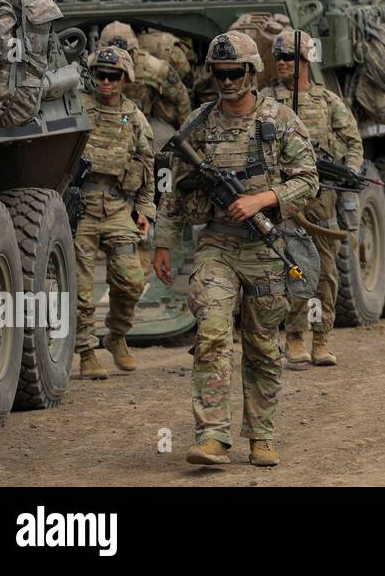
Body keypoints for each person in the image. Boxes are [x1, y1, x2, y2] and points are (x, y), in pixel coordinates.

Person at [153, 32, 318, 467]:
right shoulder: (198, 125)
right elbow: (173, 195)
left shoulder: (280, 120)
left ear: (251, 72)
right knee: (210, 334)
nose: (227, 81)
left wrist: (263, 200)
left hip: (266, 247)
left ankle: (261, 436)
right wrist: (163, 244)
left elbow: (308, 179)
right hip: (217, 245)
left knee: (263, 346)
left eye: (235, 73)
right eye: (219, 73)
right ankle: (212, 437)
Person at [269, 31, 364, 366]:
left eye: (290, 58)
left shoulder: (327, 102)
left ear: (305, 61)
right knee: (293, 270)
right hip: (284, 203)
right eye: (279, 58)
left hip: (322, 200)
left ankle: (321, 339)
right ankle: (294, 337)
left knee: (325, 274)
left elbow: (353, 142)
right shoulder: (267, 101)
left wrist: (349, 171)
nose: (283, 64)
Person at [73, 46, 155, 379]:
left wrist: (145, 209)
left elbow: (147, 164)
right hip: (82, 209)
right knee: (79, 289)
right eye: (100, 75)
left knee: (132, 280)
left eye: (113, 76)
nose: (105, 82)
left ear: (125, 79)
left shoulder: (134, 117)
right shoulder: (79, 108)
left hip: (119, 207)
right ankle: (87, 352)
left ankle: (117, 335)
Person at [98, 21, 192, 128]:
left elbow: (180, 96)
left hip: (144, 122)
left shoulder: (154, 68)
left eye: (125, 53)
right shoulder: (92, 67)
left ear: (134, 49)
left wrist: (186, 133)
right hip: (104, 120)